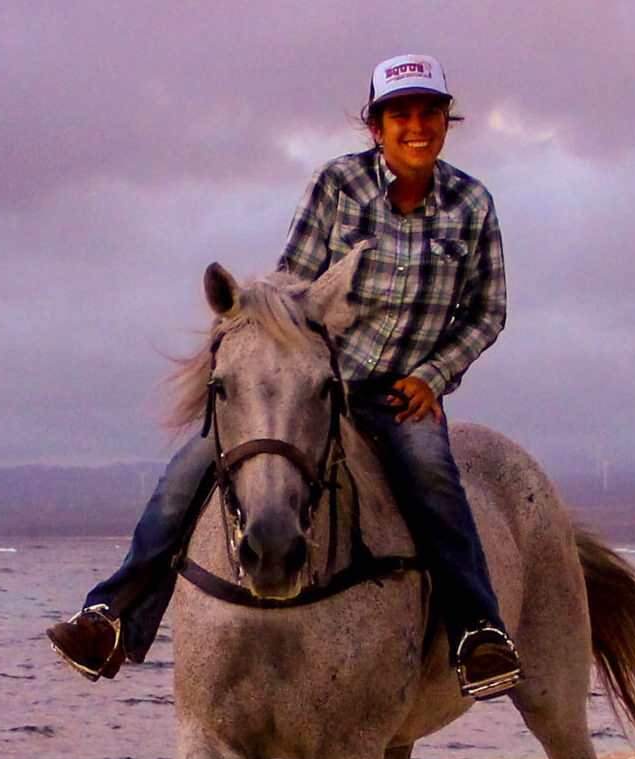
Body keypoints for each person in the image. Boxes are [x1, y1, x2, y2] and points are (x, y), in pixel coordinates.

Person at [47, 52, 522, 698]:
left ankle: (476, 631)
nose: (417, 127)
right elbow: (289, 291)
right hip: (312, 386)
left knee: (433, 476)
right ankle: (114, 615)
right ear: (377, 128)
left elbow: (487, 311)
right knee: (194, 468)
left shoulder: (472, 206)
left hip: (399, 394)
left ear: (445, 122)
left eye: (430, 114)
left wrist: (434, 376)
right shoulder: (337, 188)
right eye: (400, 115)